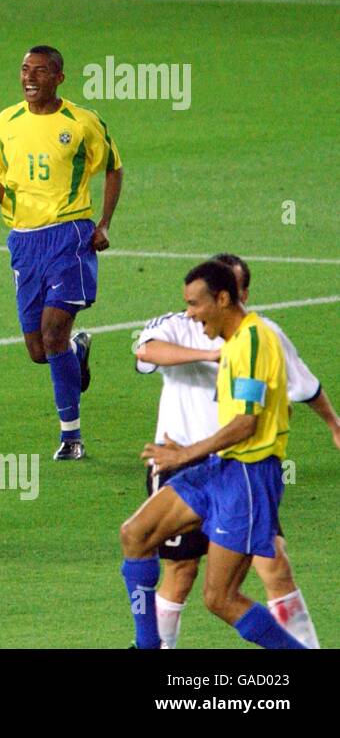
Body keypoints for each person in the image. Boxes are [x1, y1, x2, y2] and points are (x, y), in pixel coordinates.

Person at [134, 252, 339, 648]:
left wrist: (333, 423)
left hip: (237, 470)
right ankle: (149, 646)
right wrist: (211, 355)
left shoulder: (259, 339)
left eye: (242, 286)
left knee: (240, 585)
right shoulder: (184, 326)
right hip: (193, 467)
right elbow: (145, 352)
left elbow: (261, 413)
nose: (192, 311)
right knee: (156, 551)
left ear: (230, 296)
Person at [0, 46, 123, 460]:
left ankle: (71, 437)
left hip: (69, 235)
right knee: (39, 350)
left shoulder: (81, 122)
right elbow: (7, 179)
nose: (30, 78)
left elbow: (113, 167)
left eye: (40, 71)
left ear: (59, 77)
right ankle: (78, 351)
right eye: (24, 70)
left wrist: (104, 223)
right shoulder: (7, 121)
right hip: (23, 241)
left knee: (54, 331)